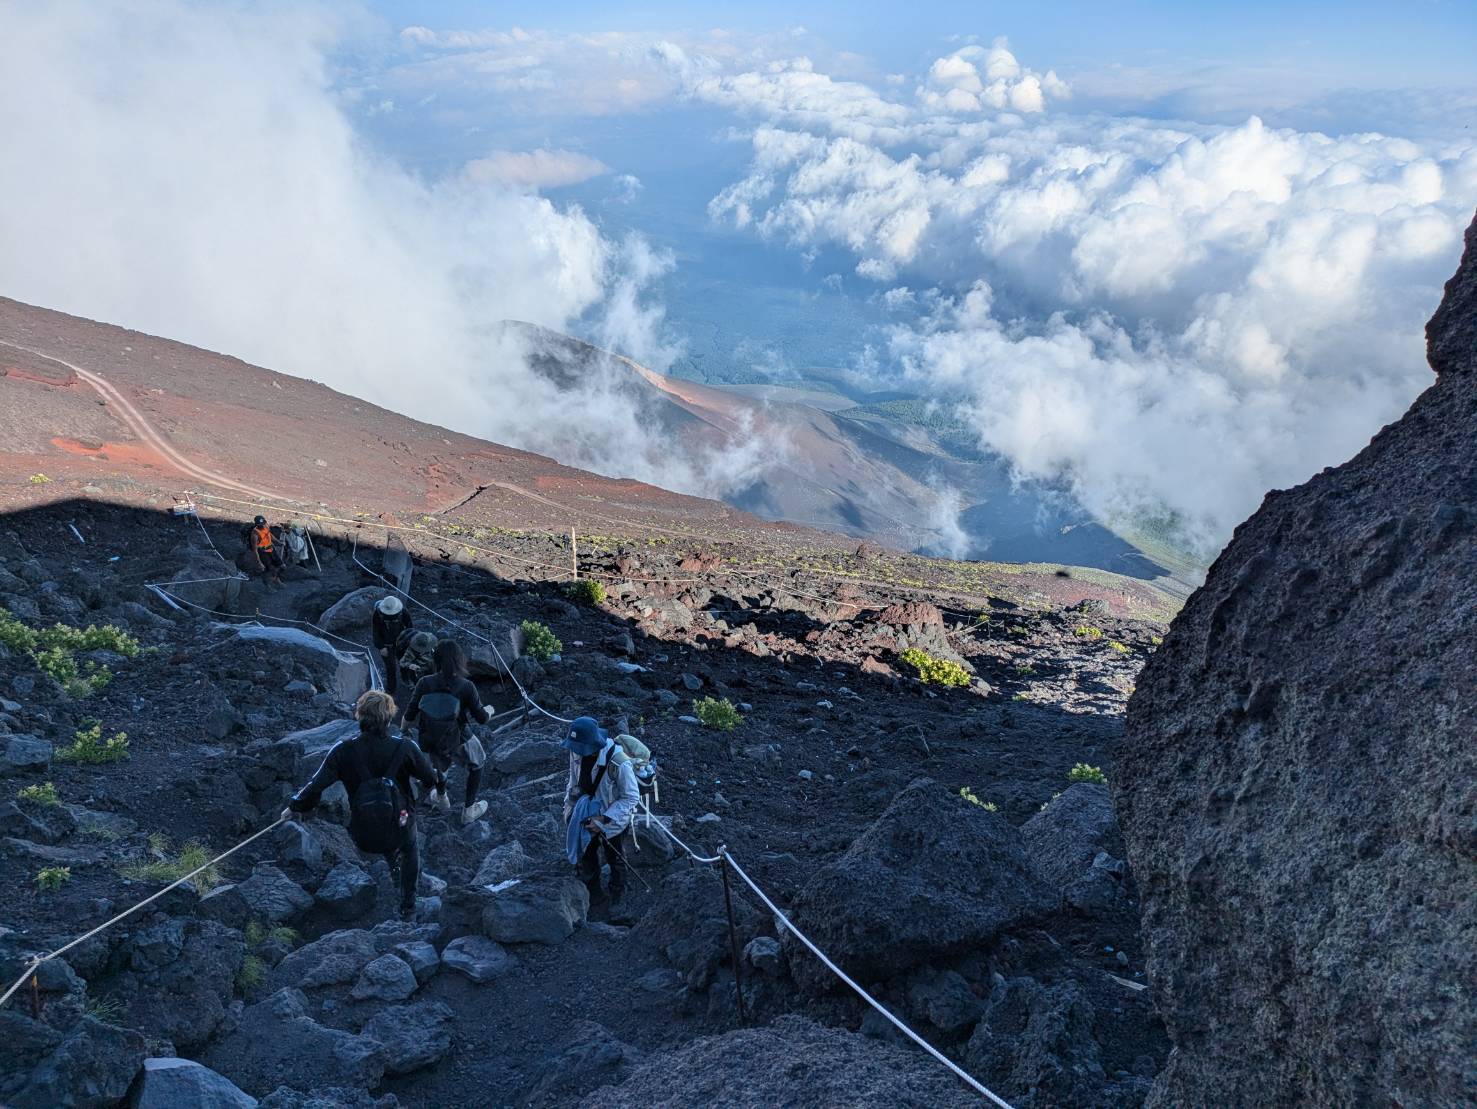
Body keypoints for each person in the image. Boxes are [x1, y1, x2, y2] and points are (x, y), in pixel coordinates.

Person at [282, 690, 444, 920]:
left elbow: (316, 784)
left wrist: (294, 807)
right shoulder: (405, 748)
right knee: (410, 845)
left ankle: (393, 868)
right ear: (388, 719)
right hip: (399, 825)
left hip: (363, 833)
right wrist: (416, 798)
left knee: (384, 823)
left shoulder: (342, 750)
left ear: (360, 716)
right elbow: (430, 779)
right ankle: (408, 907)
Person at [403, 639, 492, 825]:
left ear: (435, 659)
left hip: (429, 737)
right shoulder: (466, 686)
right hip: (458, 737)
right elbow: (482, 719)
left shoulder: (424, 683)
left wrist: (403, 731)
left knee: (438, 765)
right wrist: (490, 711)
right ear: (459, 660)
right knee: (479, 760)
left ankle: (442, 797)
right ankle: (469, 809)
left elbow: (410, 713)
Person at [562, 716, 639, 906]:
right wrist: (569, 807)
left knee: (616, 858)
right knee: (587, 853)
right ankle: (593, 893)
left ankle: (618, 896)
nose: (577, 752)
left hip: (611, 819)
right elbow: (573, 780)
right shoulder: (576, 750)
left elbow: (631, 797)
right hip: (584, 814)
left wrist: (603, 819)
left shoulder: (619, 763)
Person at [372, 596, 412, 695]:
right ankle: (391, 688)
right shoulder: (377, 613)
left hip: (401, 642)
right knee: (390, 668)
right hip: (386, 644)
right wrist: (381, 647)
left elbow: (410, 627)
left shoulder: (403, 611)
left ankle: (406, 679)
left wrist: (407, 642)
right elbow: (375, 631)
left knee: (404, 662)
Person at [241, 515, 283, 586]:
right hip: (263, 552)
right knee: (269, 569)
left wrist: (278, 542)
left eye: (263, 524)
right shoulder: (254, 534)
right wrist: (259, 562)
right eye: (260, 525)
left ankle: (276, 580)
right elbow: (255, 550)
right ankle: (267, 586)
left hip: (271, 549)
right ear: (256, 525)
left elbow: (270, 535)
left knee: (281, 566)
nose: (262, 526)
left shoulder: (266, 526)